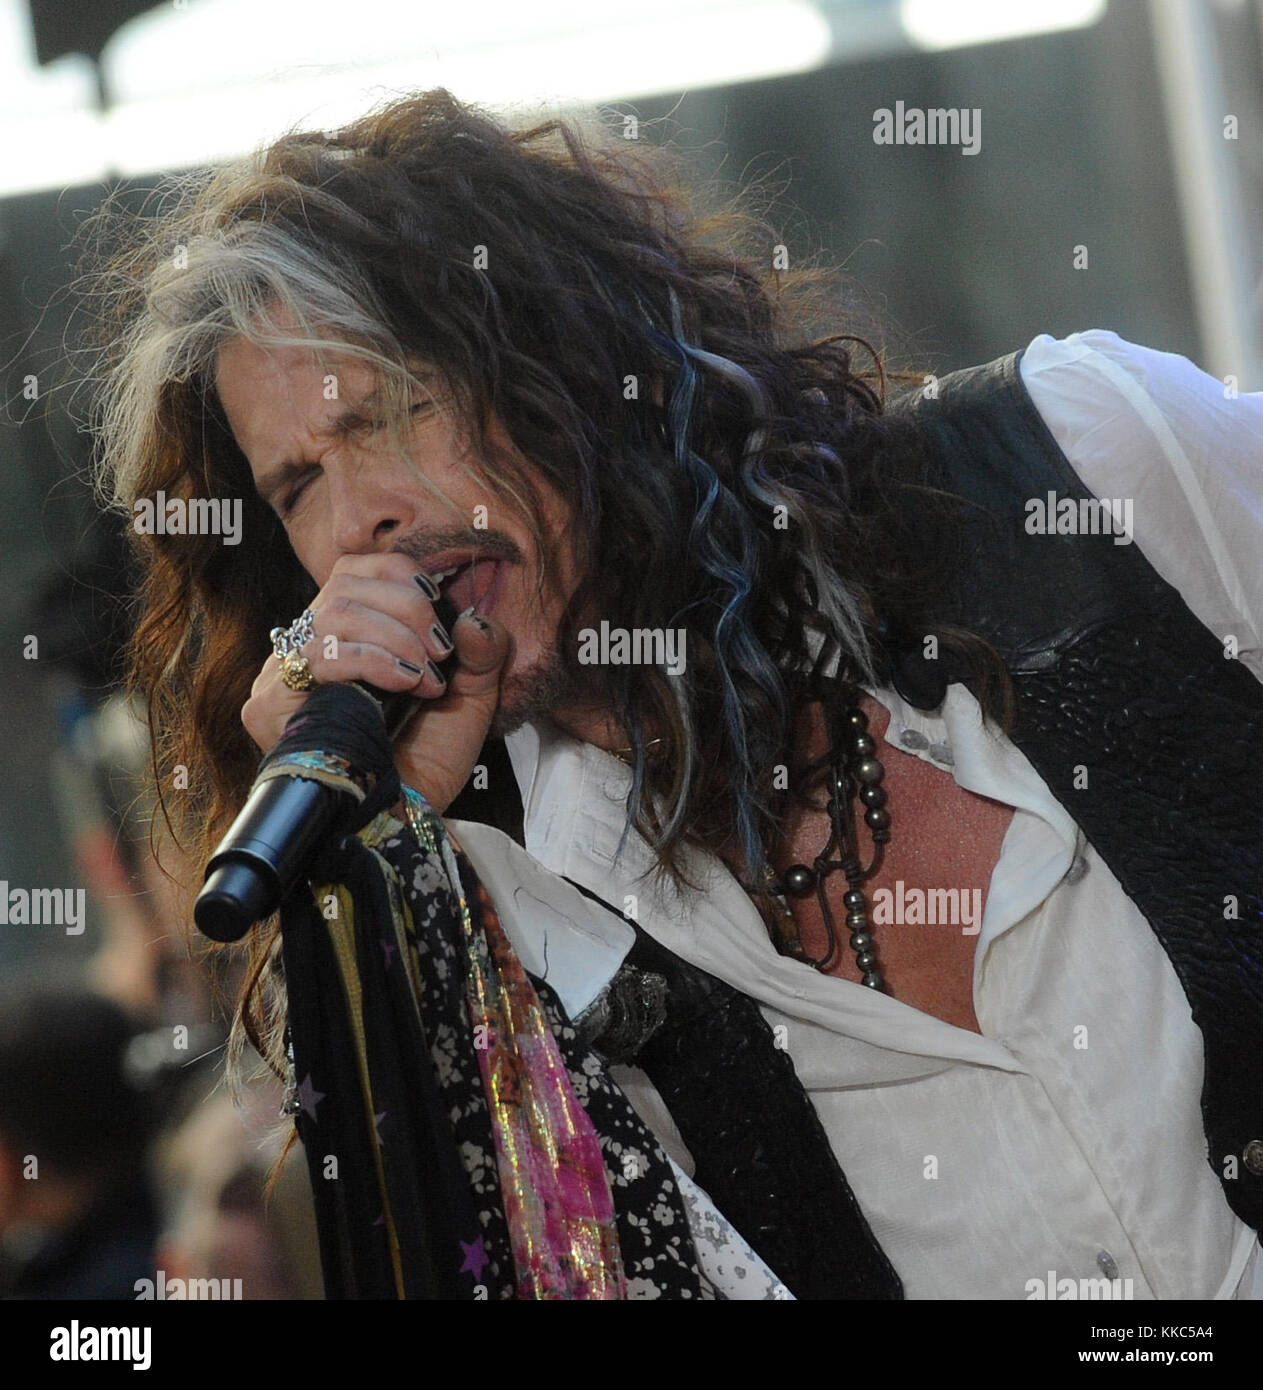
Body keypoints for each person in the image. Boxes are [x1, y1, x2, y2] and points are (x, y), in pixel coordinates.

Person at [75, 87, 1263, 1299]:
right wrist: (393, 880)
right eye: (296, 486)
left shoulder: (1078, 461)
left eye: (390, 412)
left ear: (559, 354)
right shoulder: (518, 908)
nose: (357, 514)